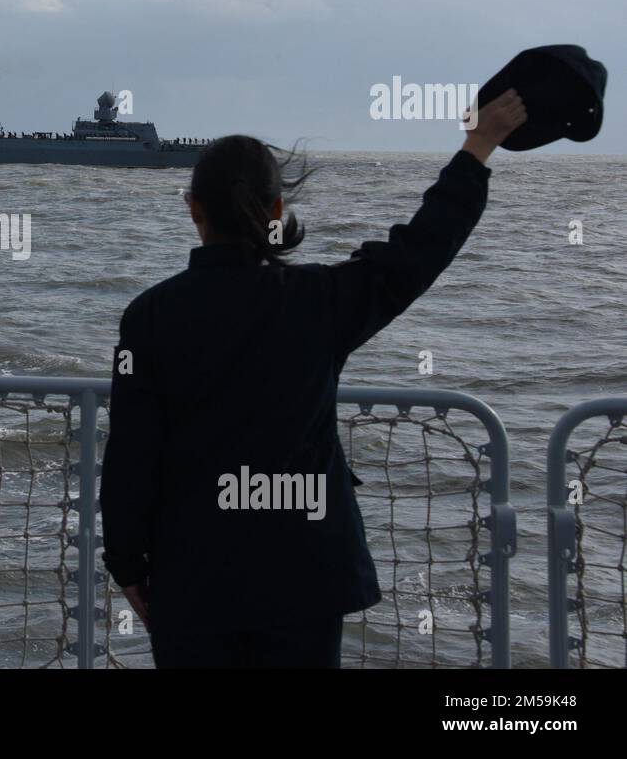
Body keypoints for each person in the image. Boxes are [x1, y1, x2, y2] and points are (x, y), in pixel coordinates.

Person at [100, 90, 528, 668]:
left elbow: (130, 453)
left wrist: (126, 562)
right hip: (304, 574)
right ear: (277, 213)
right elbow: (420, 248)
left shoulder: (148, 315)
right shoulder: (321, 301)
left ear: (193, 209)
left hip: (191, 574)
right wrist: (479, 146)